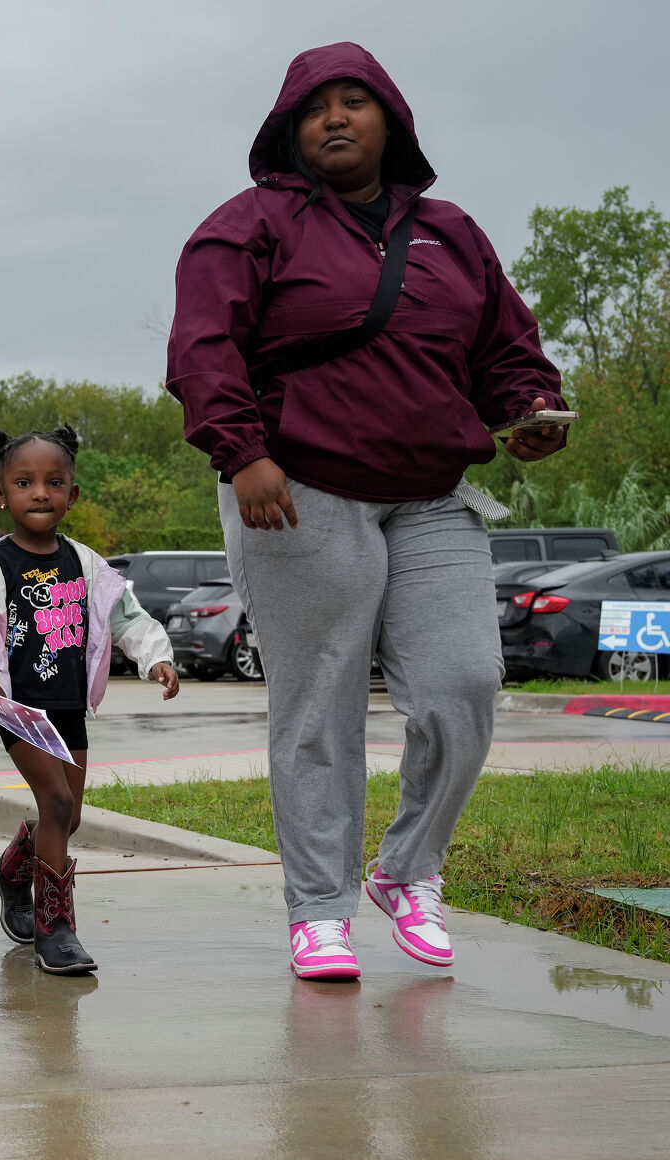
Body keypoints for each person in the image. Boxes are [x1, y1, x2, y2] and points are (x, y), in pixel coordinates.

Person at [165, 43, 568, 980]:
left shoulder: (453, 234)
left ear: (392, 119)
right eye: (315, 109)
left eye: (356, 102)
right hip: (298, 491)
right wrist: (244, 454)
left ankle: (408, 870)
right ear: (290, 131)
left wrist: (530, 410)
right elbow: (203, 346)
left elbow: (508, 347)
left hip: (432, 493)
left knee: (463, 684)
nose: (336, 120)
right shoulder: (251, 223)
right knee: (321, 705)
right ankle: (319, 907)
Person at [0, 427, 179, 974]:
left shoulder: (88, 564)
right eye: (25, 483)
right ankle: (57, 926)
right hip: (19, 709)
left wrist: (155, 657)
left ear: (72, 494)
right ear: (2, 495)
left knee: (66, 817)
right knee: (57, 804)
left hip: (68, 706)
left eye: (54, 483)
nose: (41, 493)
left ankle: (11, 870)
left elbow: (126, 617)